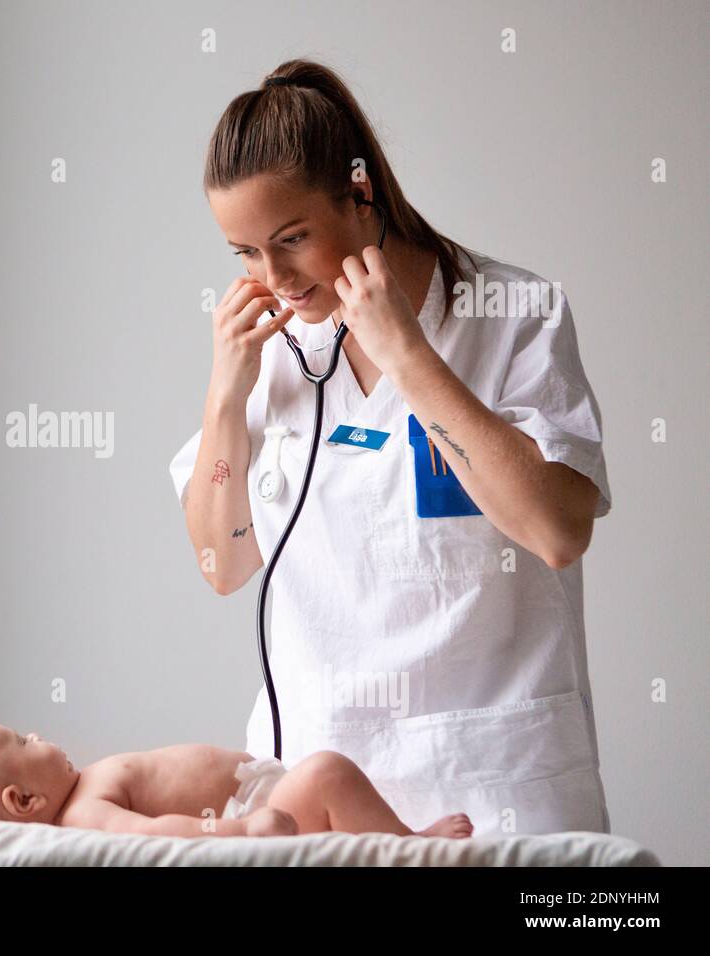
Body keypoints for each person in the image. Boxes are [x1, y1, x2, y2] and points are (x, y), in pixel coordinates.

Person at [168, 59, 613, 836]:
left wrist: (408, 356)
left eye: (292, 239)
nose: (272, 278)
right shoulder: (273, 350)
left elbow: (558, 529)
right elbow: (225, 564)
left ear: (360, 191)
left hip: (494, 788)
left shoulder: (513, 315)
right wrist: (224, 397)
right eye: (243, 253)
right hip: (313, 795)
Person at [0, 721, 473, 838]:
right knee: (326, 774)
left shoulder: (80, 794)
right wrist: (242, 834)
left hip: (259, 798)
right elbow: (155, 839)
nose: (37, 734)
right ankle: (409, 849)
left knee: (324, 779)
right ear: (22, 800)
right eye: (23, 742)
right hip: (256, 816)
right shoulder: (83, 814)